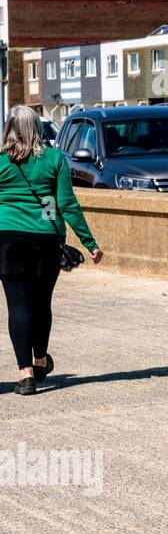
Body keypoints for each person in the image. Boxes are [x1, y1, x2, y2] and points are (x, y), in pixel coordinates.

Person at [0, 106, 103, 396]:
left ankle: (25, 376)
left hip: (8, 240)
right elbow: (65, 204)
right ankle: (41, 360)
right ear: (38, 127)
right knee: (41, 302)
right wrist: (90, 243)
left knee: (17, 306)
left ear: (9, 128)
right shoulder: (55, 159)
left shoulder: (1, 161)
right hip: (45, 239)